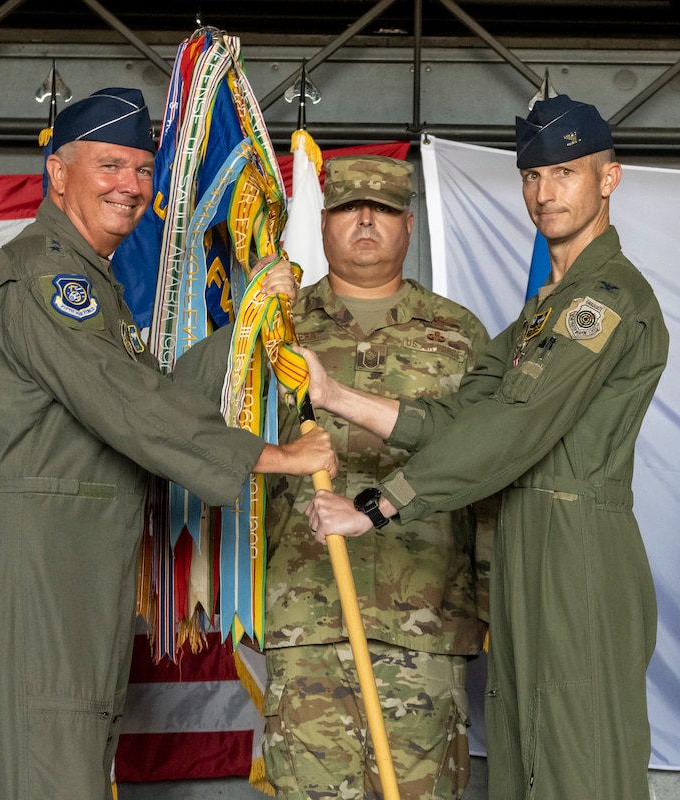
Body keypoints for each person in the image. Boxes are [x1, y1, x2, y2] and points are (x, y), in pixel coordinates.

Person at [0, 87, 336, 800]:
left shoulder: (94, 283)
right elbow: (126, 406)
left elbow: (154, 392)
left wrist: (246, 322)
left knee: (67, 764)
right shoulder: (46, 279)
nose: (132, 186)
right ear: (58, 172)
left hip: (71, 563)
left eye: (144, 170)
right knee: (46, 772)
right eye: (111, 164)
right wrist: (266, 457)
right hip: (38, 568)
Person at [303, 95, 669, 800]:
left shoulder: (607, 300)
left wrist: (376, 507)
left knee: (579, 765)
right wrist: (338, 397)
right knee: (524, 762)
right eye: (533, 176)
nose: (544, 192)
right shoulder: (546, 310)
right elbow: (464, 417)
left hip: (578, 545)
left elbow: (514, 428)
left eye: (565, 172)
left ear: (609, 178)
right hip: (527, 539)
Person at [261, 155, 493, 800]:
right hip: (306, 613)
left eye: (384, 209)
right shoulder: (276, 325)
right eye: (348, 208)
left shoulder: (460, 335)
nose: (366, 220)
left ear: (409, 225)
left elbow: (484, 461)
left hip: (424, 618)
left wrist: (489, 602)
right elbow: (217, 433)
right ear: (325, 221)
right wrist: (247, 311)